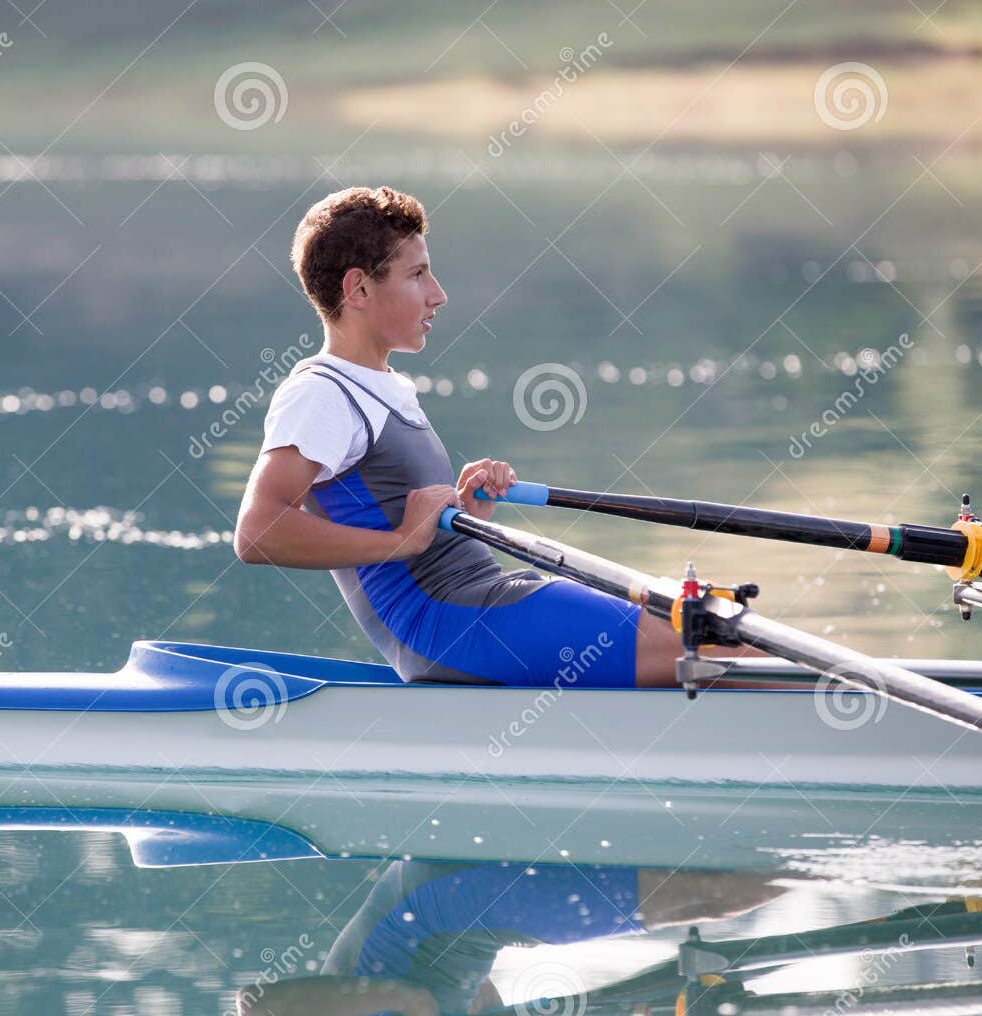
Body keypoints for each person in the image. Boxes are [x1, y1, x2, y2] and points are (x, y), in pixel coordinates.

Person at [233, 185, 708, 687]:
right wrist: (401, 540)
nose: (438, 293)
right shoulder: (322, 395)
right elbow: (258, 532)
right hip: (443, 625)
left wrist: (458, 514)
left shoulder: (387, 388)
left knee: (709, 618)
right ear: (359, 290)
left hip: (479, 598)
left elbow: (404, 518)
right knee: (712, 640)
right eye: (417, 275)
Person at [237, 861, 790, 1016]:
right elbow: (400, 987)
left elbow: (258, 1009)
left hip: (441, 903)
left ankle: (859, 863)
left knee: (704, 897)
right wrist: (477, 995)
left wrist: (416, 1008)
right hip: (451, 914)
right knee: (694, 892)